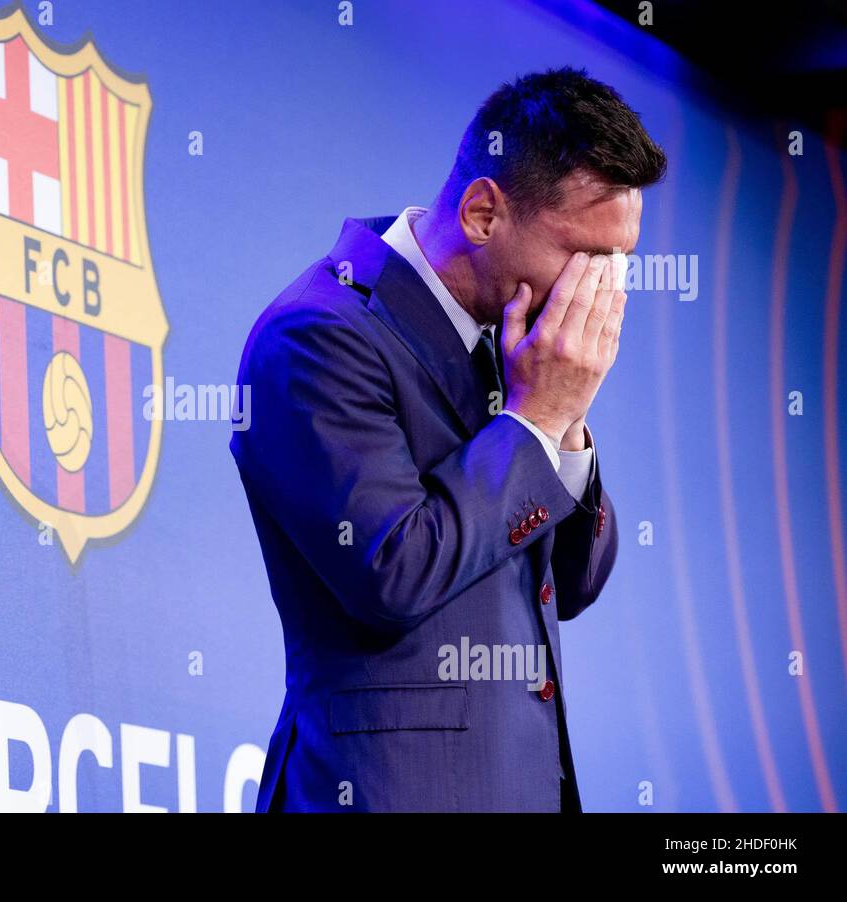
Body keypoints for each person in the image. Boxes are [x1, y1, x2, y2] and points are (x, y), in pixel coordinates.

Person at [230, 66, 666, 812]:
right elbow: (391, 573)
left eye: (619, 263)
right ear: (482, 214)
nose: (603, 293)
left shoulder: (513, 340)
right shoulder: (319, 335)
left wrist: (564, 417)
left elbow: (576, 582)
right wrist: (534, 420)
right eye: (586, 259)